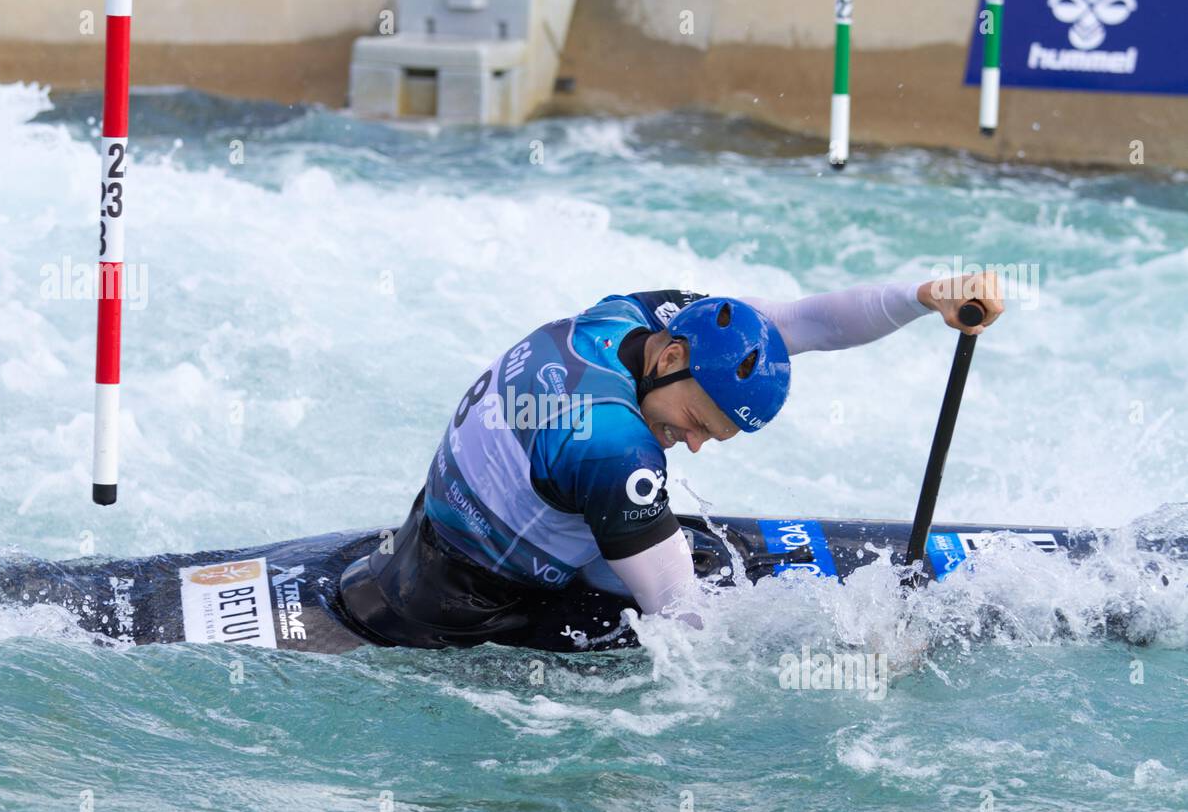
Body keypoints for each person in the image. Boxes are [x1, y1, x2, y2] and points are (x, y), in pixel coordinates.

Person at [339, 273, 1004, 648]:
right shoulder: (615, 445)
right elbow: (685, 633)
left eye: (713, 436)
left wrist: (924, 296)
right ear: (672, 360)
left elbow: (809, 322)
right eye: (695, 423)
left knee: (694, 557)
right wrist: (852, 655)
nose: (691, 444)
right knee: (715, 609)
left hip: (427, 532)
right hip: (469, 604)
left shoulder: (638, 317)